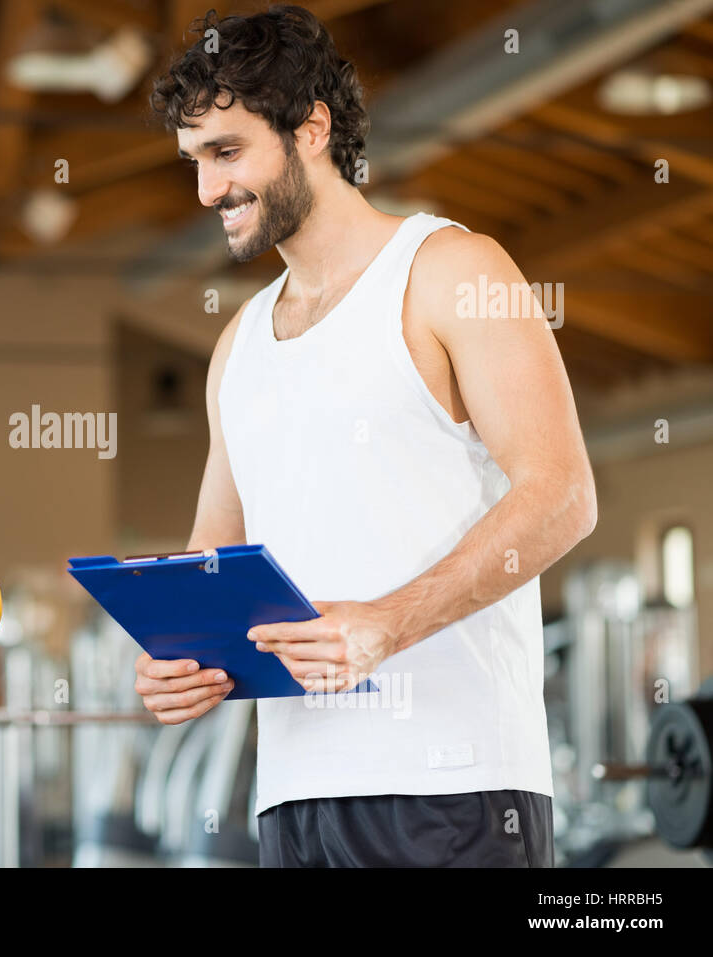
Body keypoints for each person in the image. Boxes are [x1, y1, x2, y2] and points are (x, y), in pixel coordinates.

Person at [135, 6, 596, 866]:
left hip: (455, 787)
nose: (205, 191)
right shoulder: (237, 346)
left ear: (310, 128)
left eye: (227, 152)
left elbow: (563, 495)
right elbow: (213, 555)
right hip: (292, 796)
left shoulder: (451, 272)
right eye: (194, 160)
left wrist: (386, 624)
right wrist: (183, 656)